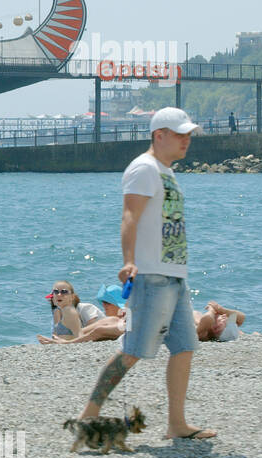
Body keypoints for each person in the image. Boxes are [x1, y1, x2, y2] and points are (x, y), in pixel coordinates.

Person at [73, 108, 216, 440]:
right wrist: (128, 261)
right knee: (133, 350)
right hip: (151, 275)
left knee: (184, 347)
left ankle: (177, 424)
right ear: (159, 135)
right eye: (179, 134)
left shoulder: (165, 172)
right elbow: (129, 216)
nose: (186, 140)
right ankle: (88, 415)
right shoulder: (144, 169)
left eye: (189, 134)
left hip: (173, 276)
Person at [38, 283, 126, 345]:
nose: (104, 305)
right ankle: (65, 339)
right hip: (123, 327)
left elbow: (94, 328)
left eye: (107, 302)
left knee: (99, 329)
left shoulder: (85, 308)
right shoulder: (58, 315)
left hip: (131, 330)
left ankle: (67, 343)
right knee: (110, 320)